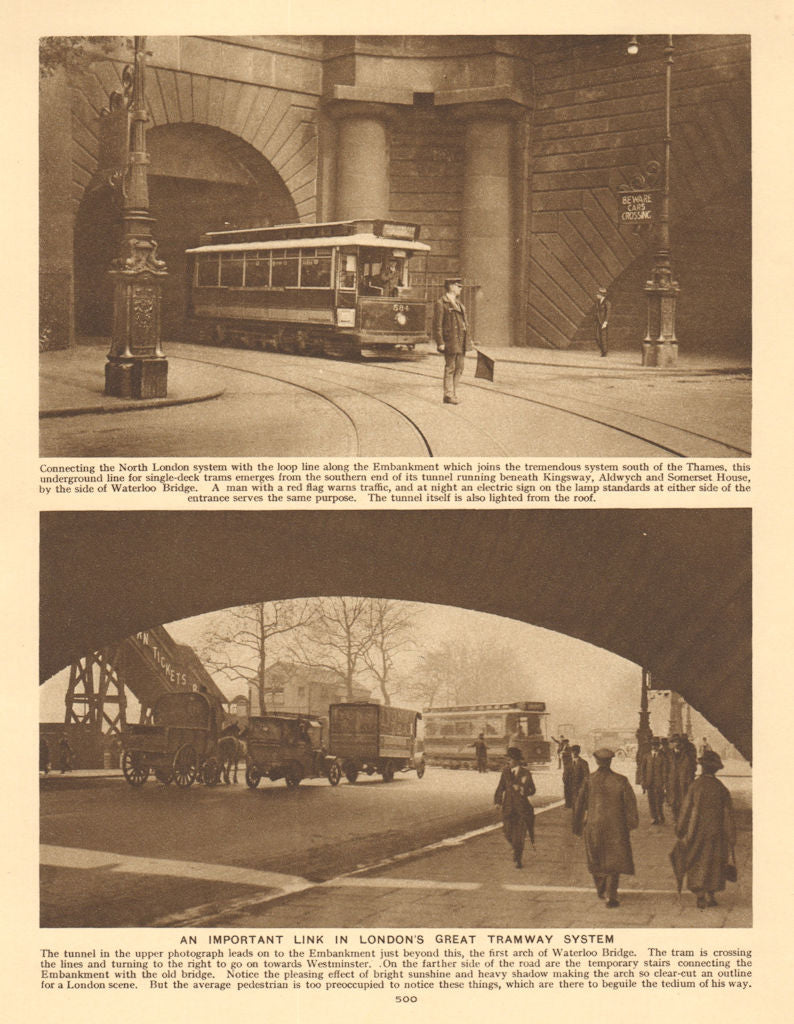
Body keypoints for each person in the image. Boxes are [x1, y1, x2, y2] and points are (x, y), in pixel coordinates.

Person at [573, 747, 639, 908]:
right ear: (610, 761)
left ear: (596, 761)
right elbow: (631, 804)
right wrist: (631, 823)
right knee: (613, 860)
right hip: (616, 826)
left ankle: (601, 888)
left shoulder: (589, 779)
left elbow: (579, 804)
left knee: (595, 857)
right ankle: (612, 894)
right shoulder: (621, 780)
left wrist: (577, 826)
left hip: (593, 825)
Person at [673, 750, 736, 908]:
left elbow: (686, 809)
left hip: (697, 831)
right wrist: (731, 836)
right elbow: (728, 814)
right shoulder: (721, 788)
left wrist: (680, 829)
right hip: (717, 832)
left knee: (697, 860)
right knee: (715, 862)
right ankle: (711, 894)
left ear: (702, 768)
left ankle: (700, 894)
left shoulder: (696, 786)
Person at [494, 747, 536, 868]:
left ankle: (518, 858)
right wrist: (498, 801)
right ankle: (515, 848)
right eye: (508, 759)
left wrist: (522, 790)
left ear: (516, 760)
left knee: (519, 836)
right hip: (508, 807)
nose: (508, 762)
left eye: (510, 759)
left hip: (522, 809)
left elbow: (532, 790)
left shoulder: (526, 773)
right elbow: (500, 787)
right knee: (507, 832)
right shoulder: (505, 772)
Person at [432, 277, 470, 405]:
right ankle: (448, 394)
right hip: (450, 340)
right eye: (458, 286)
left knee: (459, 367)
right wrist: (440, 342)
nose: (460, 288)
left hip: (460, 340)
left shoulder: (459, 304)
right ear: (451, 287)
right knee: (450, 367)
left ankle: (452, 393)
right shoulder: (441, 303)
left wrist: (469, 341)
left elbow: (465, 324)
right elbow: (437, 325)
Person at [641, 736, 668, 824]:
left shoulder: (662, 756)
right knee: (651, 800)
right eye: (653, 745)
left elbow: (664, 770)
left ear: (658, 745)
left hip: (659, 782)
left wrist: (664, 782)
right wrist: (643, 781)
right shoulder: (646, 756)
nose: (654, 747)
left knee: (659, 800)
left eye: (656, 745)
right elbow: (642, 770)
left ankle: (660, 816)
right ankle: (654, 817)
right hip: (649, 782)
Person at [592, 287, 610, 356]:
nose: (597, 295)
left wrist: (605, 322)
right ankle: (603, 350)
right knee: (597, 337)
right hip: (597, 321)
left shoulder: (607, 303)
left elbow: (608, 313)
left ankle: (604, 352)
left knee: (603, 337)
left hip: (603, 322)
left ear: (601, 295)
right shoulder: (597, 302)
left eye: (598, 294)